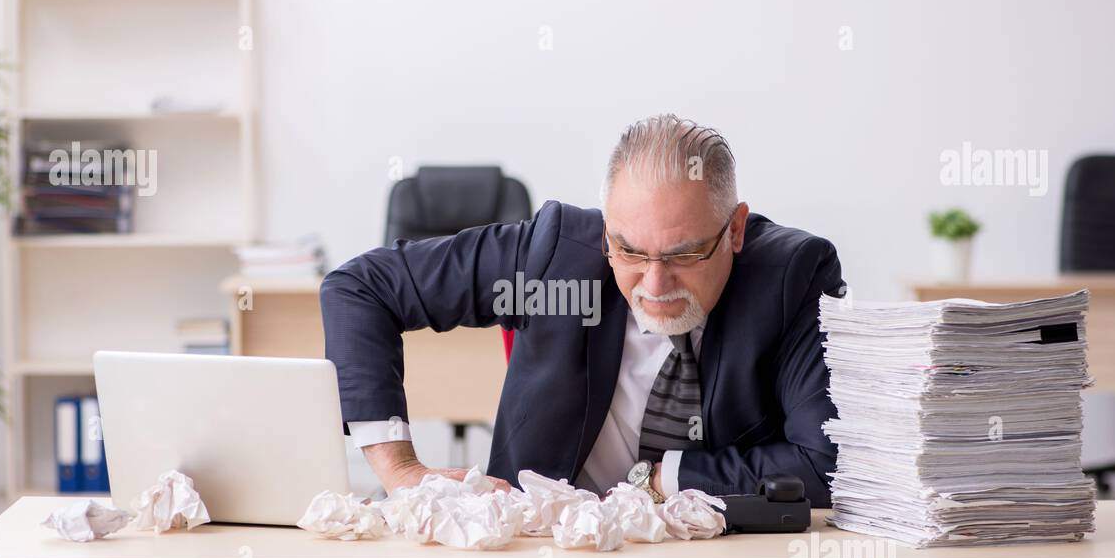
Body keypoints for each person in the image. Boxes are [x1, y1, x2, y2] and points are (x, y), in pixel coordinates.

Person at [320, 114, 845, 505]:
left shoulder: (792, 277)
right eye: (630, 252)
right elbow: (361, 288)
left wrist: (661, 479)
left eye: (684, 254)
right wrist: (398, 468)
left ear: (733, 230)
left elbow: (824, 465)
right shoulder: (555, 257)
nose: (655, 284)